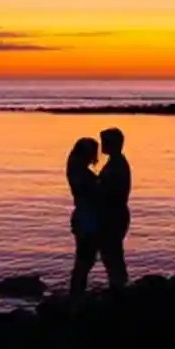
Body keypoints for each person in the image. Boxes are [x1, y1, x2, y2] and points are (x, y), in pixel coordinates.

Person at [66, 137, 101, 296]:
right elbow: (90, 193)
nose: (93, 157)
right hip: (86, 219)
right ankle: (77, 294)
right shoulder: (80, 174)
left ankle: (77, 293)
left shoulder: (76, 169)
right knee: (85, 259)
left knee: (84, 259)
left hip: (84, 217)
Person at [97, 127, 131, 288]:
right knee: (112, 253)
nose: (101, 145)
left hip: (114, 214)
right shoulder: (116, 163)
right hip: (114, 213)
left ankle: (119, 287)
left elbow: (113, 191)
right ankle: (118, 285)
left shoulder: (117, 165)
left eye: (104, 141)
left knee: (112, 253)